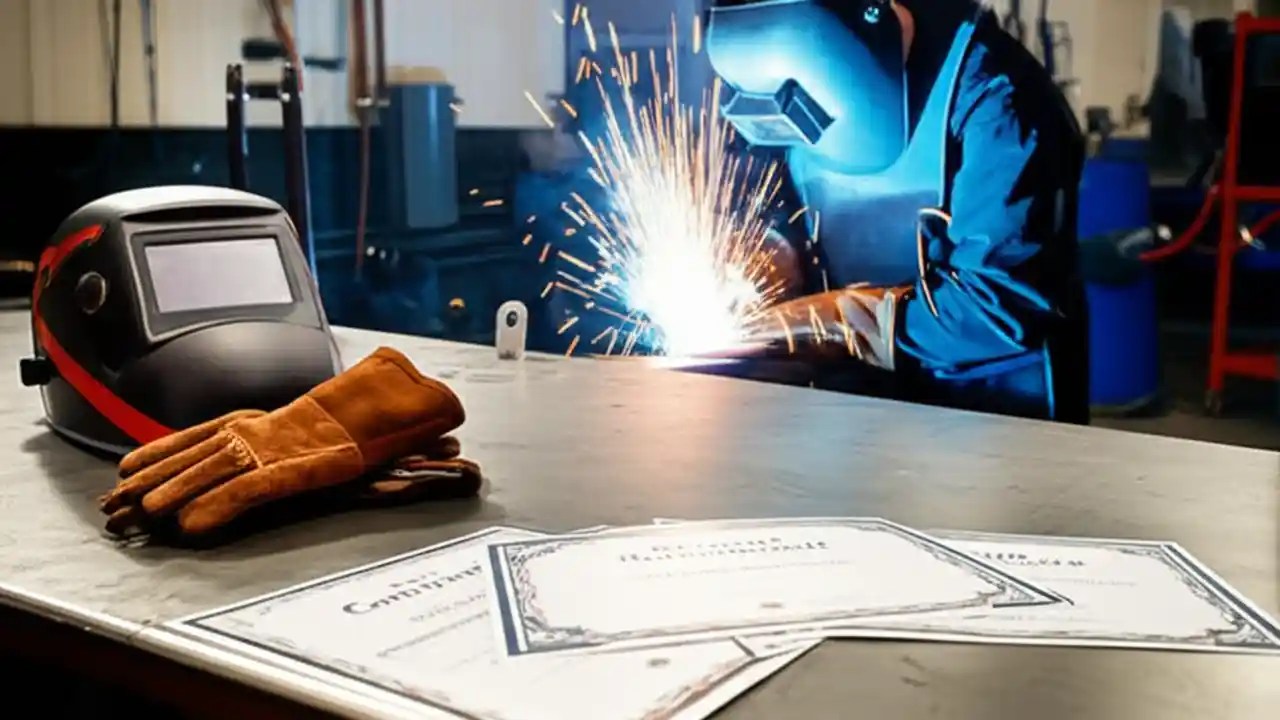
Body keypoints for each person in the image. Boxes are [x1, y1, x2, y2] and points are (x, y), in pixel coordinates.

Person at [705, 0, 1089, 424]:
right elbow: (784, 201)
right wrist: (772, 256)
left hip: (991, 420)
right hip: (856, 413)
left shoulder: (1000, 101)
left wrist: (840, 323)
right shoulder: (783, 67)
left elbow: (1001, 307)